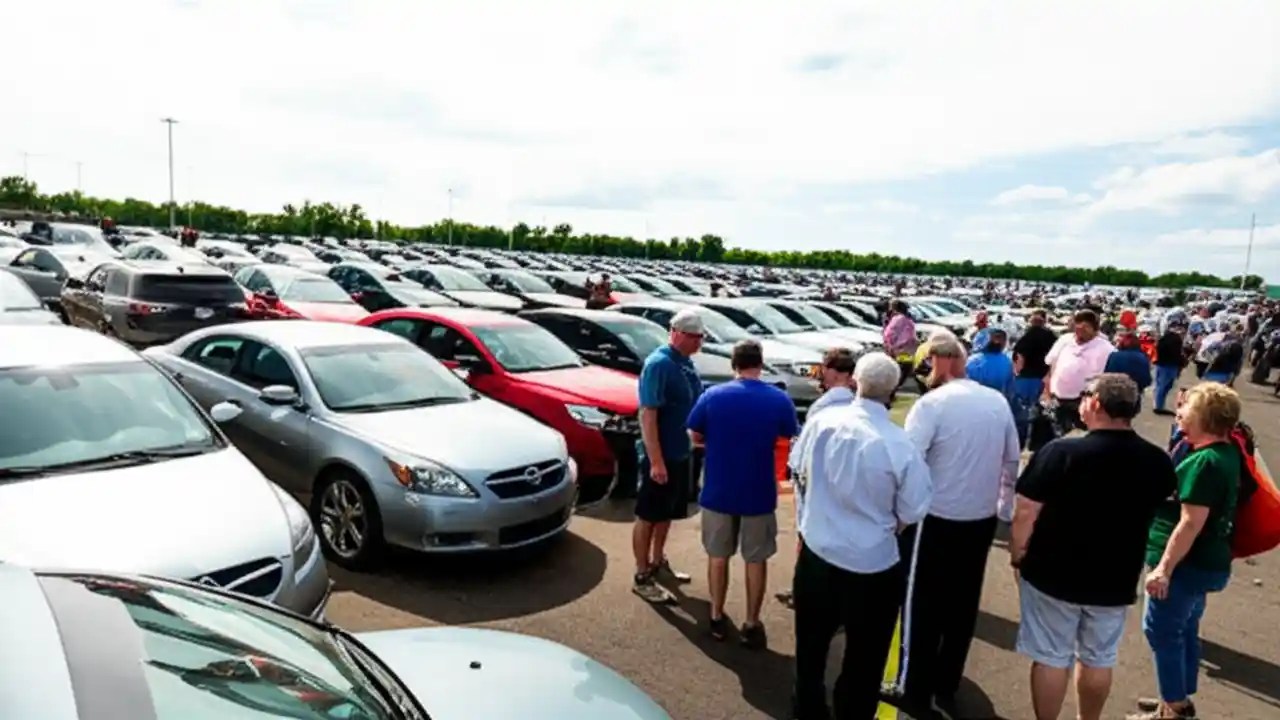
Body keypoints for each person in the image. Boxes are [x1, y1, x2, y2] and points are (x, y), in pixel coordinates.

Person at [1011, 374, 1177, 720]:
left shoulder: (1062, 451)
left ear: (1096, 404)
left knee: (1052, 656)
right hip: (1114, 575)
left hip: (1052, 571)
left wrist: (1019, 553)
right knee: (1099, 657)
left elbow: (1026, 509)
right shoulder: (1156, 460)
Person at [791, 352, 933, 720]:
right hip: (870, 565)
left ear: (854, 380)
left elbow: (798, 472)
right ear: (893, 391)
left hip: (818, 553)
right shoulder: (900, 446)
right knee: (865, 659)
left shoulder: (821, 423)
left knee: (810, 646)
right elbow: (913, 510)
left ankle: (807, 708)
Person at [899, 335, 1021, 718]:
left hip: (934, 518)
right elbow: (1012, 459)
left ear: (939, 360)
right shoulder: (995, 401)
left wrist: (902, 515)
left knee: (921, 606)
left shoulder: (931, 404)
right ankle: (947, 680)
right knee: (962, 604)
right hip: (979, 520)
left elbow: (908, 463)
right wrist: (1001, 507)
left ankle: (912, 688)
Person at [1129, 383, 1242, 720]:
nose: (1179, 414)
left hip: (1186, 565)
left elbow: (1190, 523)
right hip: (1206, 562)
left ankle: (1175, 707)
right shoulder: (1226, 451)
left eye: (1187, 409)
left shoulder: (1204, 462)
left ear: (1205, 417)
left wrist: (1164, 567)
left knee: (1161, 630)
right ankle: (1175, 695)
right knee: (1185, 628)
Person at [687, 340, 798, 647]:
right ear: (760, 364)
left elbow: (695, 435)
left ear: (733, 364)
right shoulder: (778, 400)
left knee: (718, 556)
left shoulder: (713, 396)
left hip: (719, 488)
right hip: (758, 489)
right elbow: (788, 435)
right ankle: (751, 621)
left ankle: (716, 614)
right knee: (756, 558)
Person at [632, 308, 705, 604]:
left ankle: (658, 559)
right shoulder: (659, 364)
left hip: (680, 451)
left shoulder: (685, 362)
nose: (699, 343)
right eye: (694, 338)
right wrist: (656, 461)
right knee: (648, 514)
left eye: (701, 338)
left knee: (669, 512)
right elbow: (648, 416)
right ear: (676, 333)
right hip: (659, 454)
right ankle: (641, 574)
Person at [779, 346, 859, 608]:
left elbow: (803, 456)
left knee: (808, 538)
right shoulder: (858, 402)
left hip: (818, 485)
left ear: (834, 372)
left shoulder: (822, 407)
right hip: (847, 484)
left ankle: (805, 592)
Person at [1043, 309, 1115, 436]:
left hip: (1086, 401)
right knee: (1059, 434)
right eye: (1077, 328)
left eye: (1085, 328)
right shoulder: (1064, 340)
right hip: (1058, 398)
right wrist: (1047, 393)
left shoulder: (1107, 348)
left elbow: (1111, 377)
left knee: (1086, 436)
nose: (1079, 332)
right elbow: (1049, 365)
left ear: (1095, 330)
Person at [1013, 310, 1059, 446]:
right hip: (1044, 378)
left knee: (1023, 411)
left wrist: (1017, 372)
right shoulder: (1051, 337)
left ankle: (1022, 441)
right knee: (1042, 411)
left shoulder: (1025, 337)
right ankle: (1038, 441)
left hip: (1025, 379)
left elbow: (1019, 356)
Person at [1104, 329, 1153, 411]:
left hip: (1115, 393)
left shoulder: (1114, 356)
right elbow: (1147, 379)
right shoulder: (1143, 358)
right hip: (1134, 393)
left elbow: (1107, 374)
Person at [966, 327, 1015, 403]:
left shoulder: (972, 361)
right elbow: (1010, 390)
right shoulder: (1007, 362)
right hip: (997, 402)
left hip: (974, 401)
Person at [883, 299, 918, 389]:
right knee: (903, 370)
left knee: (899, 371)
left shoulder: (898, 320)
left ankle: (892, 389)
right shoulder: (906, 320)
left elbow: (888, 335)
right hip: (905, 350)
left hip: (900, 350)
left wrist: (889, 346)